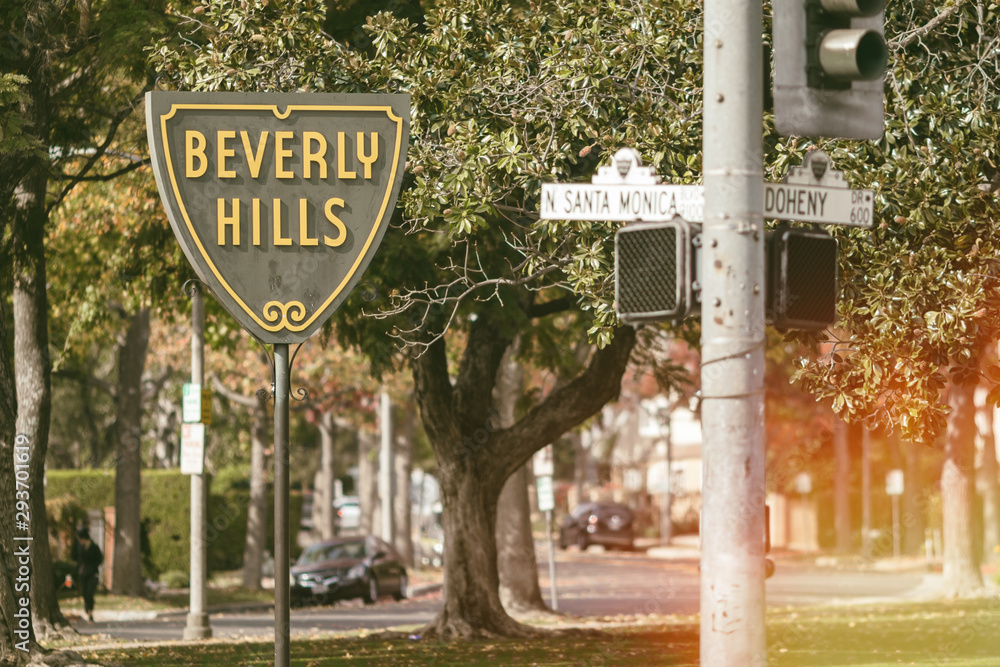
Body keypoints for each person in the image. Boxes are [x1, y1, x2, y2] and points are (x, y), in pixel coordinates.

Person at [72, 528, 103, 622]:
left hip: (92, 573)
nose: (80, 541)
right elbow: (75, 558)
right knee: (84, 593)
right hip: (82, 573)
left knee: (90, 592)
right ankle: (87, 609)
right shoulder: (79, 547)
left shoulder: (94, 547)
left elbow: (100, 559)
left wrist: (92, 565)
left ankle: (90, 611)